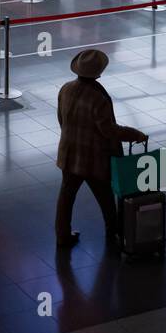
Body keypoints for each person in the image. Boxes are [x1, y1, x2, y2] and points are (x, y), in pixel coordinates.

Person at [54, 49, 147, 249]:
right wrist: (135, 134)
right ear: (98, 72)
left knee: (66, 196)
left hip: (68, 154)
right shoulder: (98, 98)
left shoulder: (65, 89)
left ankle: (62, 235)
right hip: (93, 158)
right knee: (105, 197)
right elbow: (108, 130)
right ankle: (113, 233)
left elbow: (62, 120)